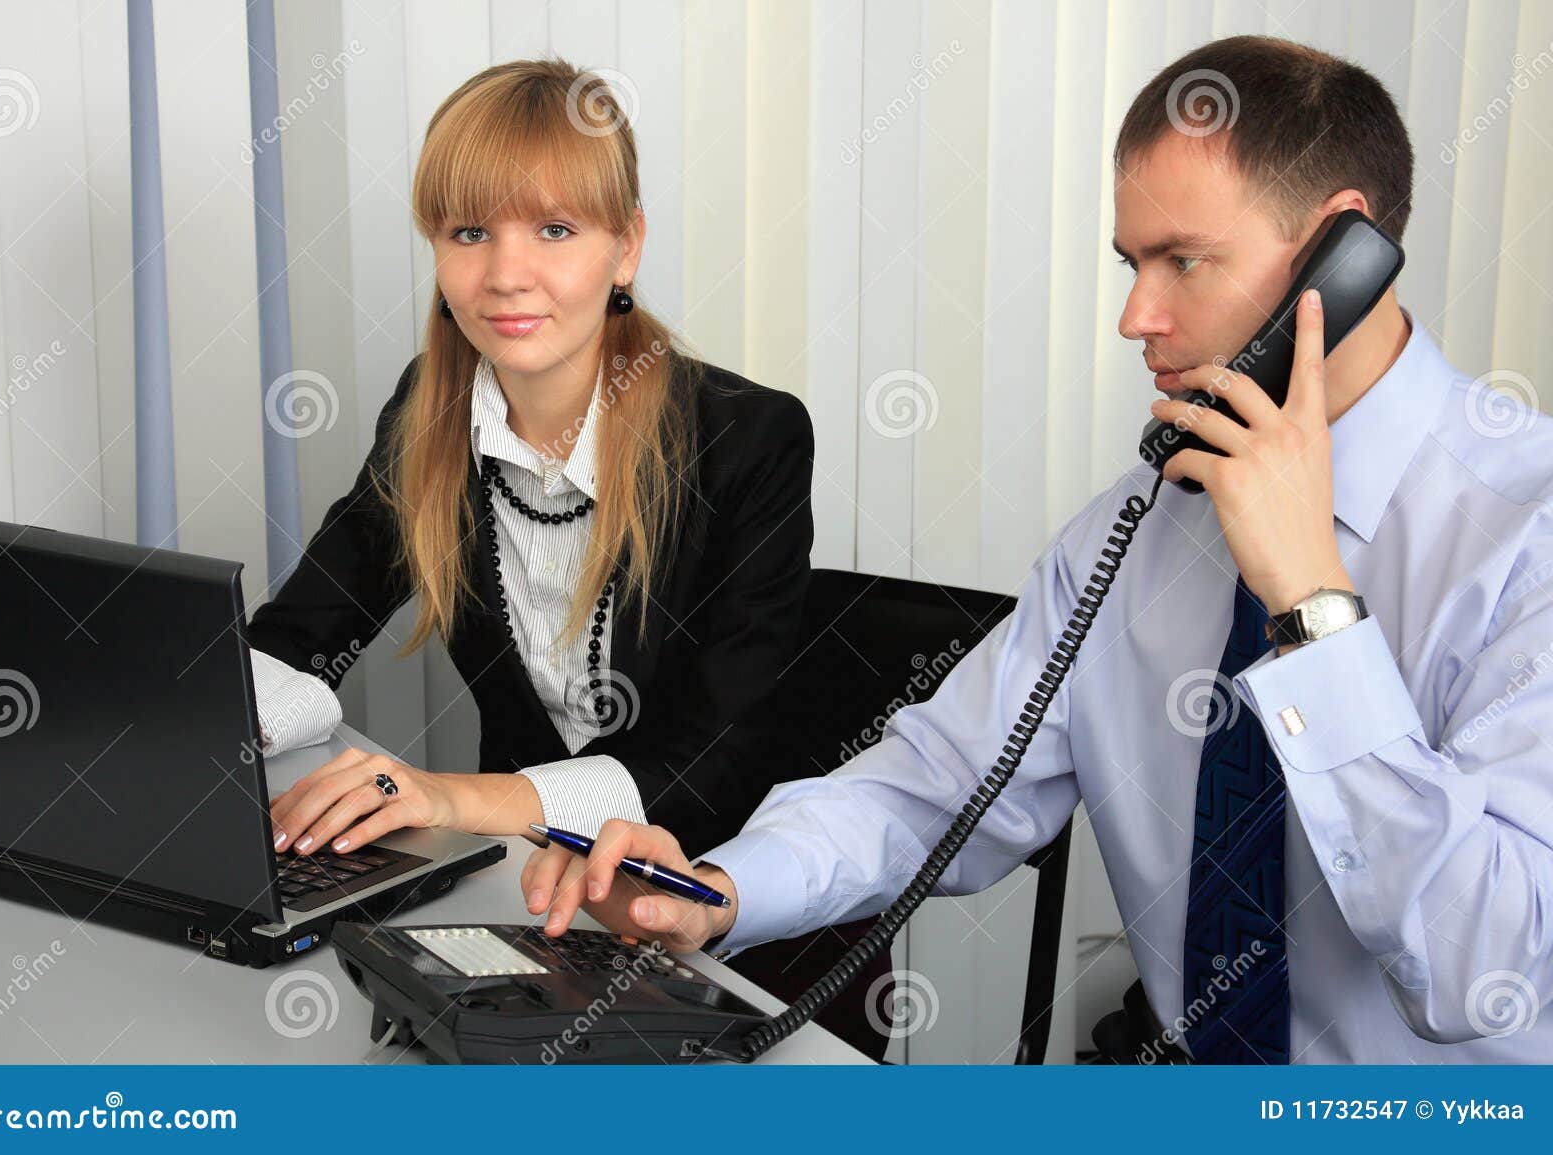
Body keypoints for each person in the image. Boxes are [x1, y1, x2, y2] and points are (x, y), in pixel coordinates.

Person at [523, 36, 1553, 1063]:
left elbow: (1480, 971)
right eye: (1130, 263)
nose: (1134, 318)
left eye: (1183, 260)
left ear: (1344, 253)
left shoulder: (1526, 531)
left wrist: (1312, 604)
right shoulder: (1131, 532)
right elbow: (932, 785)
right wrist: (718, 892)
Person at [247, 58, 814, 878]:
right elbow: (299, 636)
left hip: (703, 887)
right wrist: (207, 721)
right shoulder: (430, 414)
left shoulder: (747, 439)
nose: (506, 277)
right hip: (518, 880)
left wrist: (448, 798)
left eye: (555, 230)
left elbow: (715, 767)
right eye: (470, 233)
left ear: (627, 247)